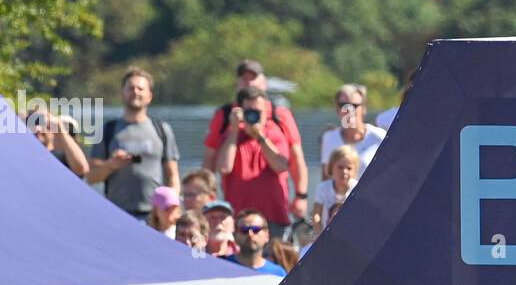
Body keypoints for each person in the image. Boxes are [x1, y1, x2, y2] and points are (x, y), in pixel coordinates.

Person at [203, 60, 311, 224]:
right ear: (237, 83)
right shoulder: (226, 116)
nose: (249, 82)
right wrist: (208, 196)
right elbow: (211, 160)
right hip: (238, 212)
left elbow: (296, 159)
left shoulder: (279, 115)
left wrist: (301, 194)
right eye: (244, 78)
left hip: (275, 211)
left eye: (253, 77)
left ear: (264, 82)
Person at [87, 69, 180, 220]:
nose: (135, 92)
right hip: (117, 214)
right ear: (122, 94)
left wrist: (171, 206)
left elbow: (172, 175)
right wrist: (111, 165)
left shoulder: (162, 129)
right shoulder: (107, 130)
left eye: (140, 88)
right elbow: (91, 177)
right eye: (130, 88)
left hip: (153, 216)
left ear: (149, 96)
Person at [214, 87, 294, 240]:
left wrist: (260, 137)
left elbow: (281, 166)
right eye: (249, 111)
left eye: (258, 111)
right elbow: (224, 167)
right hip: (240, 220)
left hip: (273, 219)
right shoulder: (231, 136)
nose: (254, 116)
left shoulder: (274, 134)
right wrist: (234, 131)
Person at [320, 84, 387, 179]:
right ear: (337, 109)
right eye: (343, 105)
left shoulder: (379, 136)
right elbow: (326, 179)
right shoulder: (329, 138)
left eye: (354, 105)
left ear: (364, 109)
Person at [26, 102, 89, 178]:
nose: (37, 128)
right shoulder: (24, 156)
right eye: (32, 123)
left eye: (41, 121)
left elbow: (81, 169)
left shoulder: (62, 158)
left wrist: (61, 130)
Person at [227, 209, 287, 278]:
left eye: (255, 229)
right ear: (235, 235)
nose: (250, 234)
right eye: (244, 230)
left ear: (266, 235)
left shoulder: (278, 274)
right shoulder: (222, 266)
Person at [313, 145, 360, 232]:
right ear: (332, 167)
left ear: (355, 170)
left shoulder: (357, 188)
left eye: (349, 168)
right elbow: (316, 214)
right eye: (340, 167)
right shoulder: (323, 188)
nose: (344, 171)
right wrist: (320, 234)